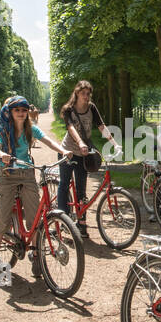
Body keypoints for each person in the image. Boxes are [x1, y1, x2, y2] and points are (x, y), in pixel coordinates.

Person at [0, 94, 70, 282]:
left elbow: (47, 140)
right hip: (7, 174)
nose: (21, 113)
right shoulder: (3, 129)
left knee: (35, 218)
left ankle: (35, 255)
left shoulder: (30, 129)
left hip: (27, 173)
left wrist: (63, 150)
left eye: (24, 110)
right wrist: (2, 155)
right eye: (17, 110)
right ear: (10, 112)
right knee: (2, 219)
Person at [58, 80, 112, 238]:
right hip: (68, 151)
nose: (86, 96)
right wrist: (80, 142)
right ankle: (64, 220)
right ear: (76, 93)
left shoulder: (92, 107)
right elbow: (71, 128)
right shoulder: (69, 110)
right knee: (64, 184)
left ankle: (81, 224)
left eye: (88, 94)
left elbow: (101, 126)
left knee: (81, 189)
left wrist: (114, 143)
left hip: (83, 154)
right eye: (83, 93)